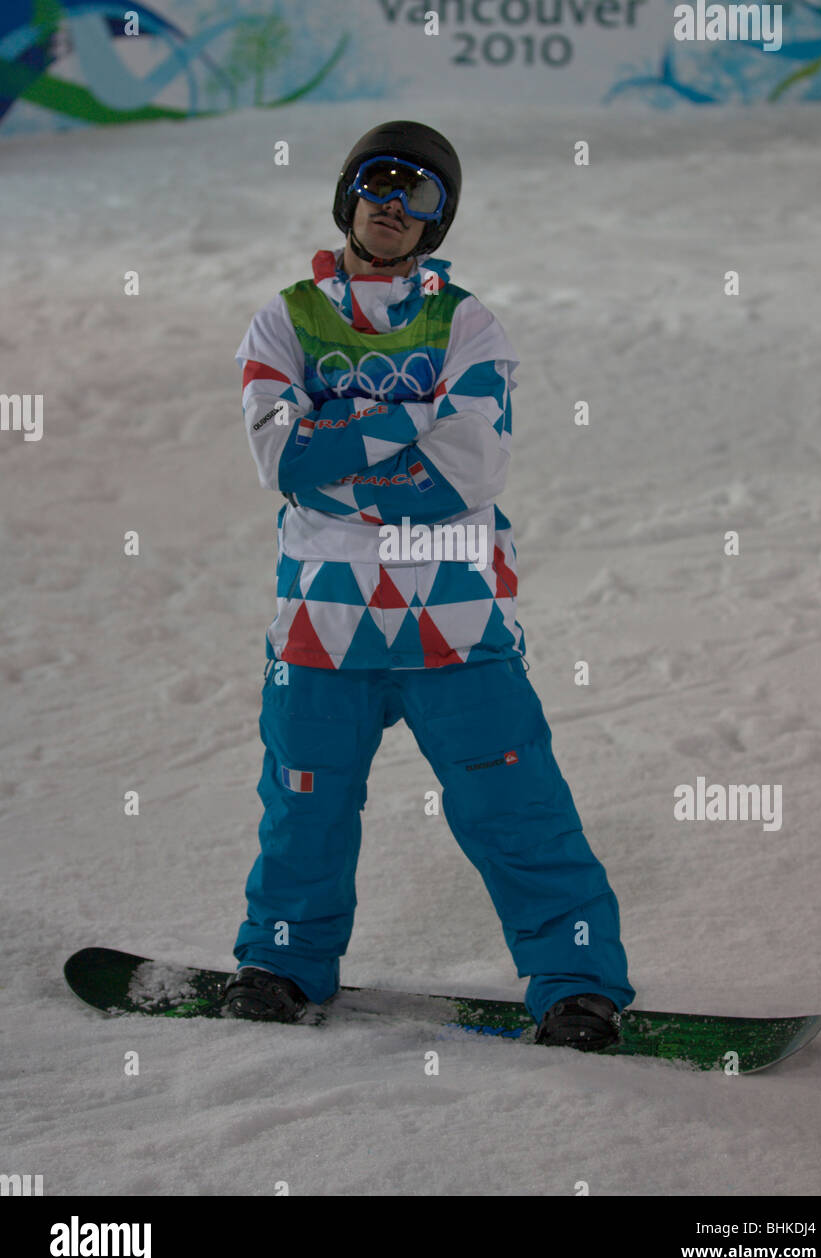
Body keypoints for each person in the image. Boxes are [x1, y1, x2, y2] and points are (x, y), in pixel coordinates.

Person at [222, 122, 636, 1051]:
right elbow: (281, 456)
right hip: (321, 625)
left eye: (421, 194)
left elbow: (470, 468)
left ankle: (575, 985)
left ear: (439, 221)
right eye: (379, 181)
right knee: (304, 807)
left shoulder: (467, 321)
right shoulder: (284, 318)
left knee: (519, 809)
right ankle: (283, 964)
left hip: (456, 618)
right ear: (347, 193)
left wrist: (344, 440)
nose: (394, 205)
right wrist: (410, 421)